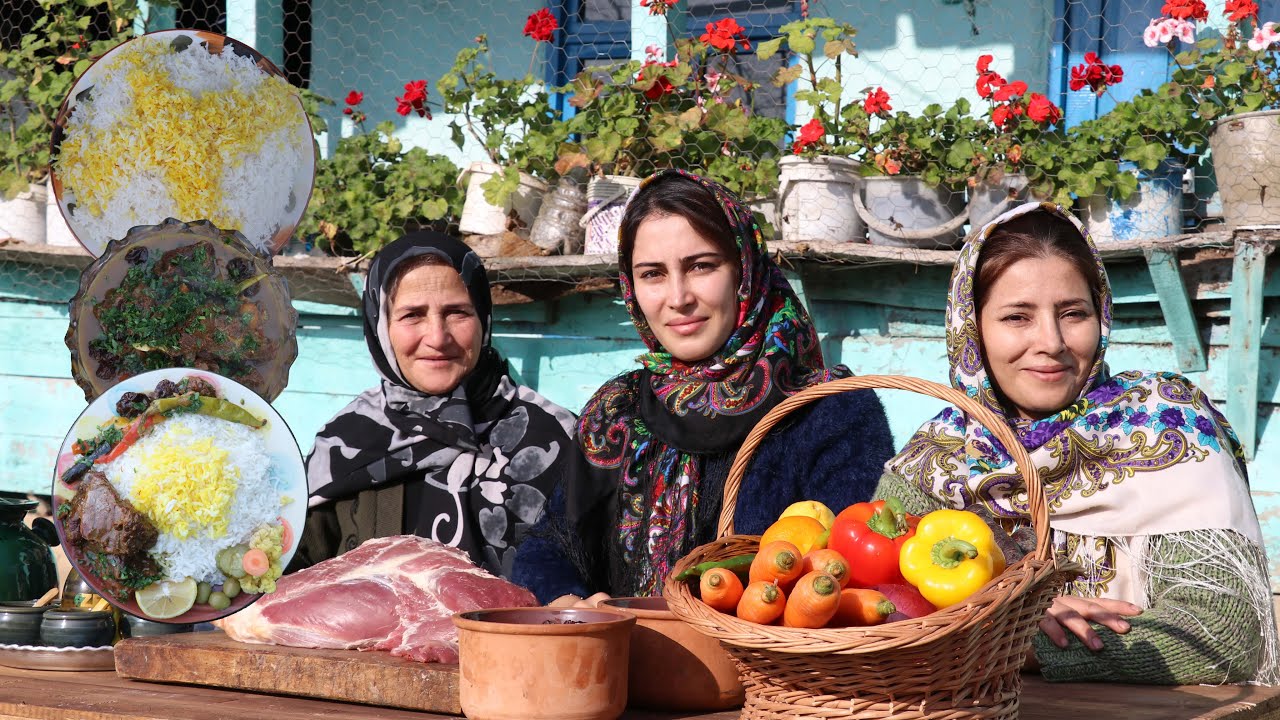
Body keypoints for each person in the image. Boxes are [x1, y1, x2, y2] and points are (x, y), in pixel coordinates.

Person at [875, 201, 1278, 685]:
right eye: (1017, 318)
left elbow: (1223, 633)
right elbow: (874, 609)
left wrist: (1025, 644)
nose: (1052, 341)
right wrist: (1003, 621)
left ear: (1101, 317)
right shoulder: (937, 457)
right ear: (971, 330)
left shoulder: (1167, 426)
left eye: (1072, 313)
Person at [514, 170, 895, 604]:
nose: (678, 297)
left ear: (744, 271)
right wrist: (568, 599)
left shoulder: (828, 412)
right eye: (652, 274)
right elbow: (550, 543)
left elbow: (849, 571)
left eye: (701, 266)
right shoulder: (616, 411)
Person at [291, 231, 579, 581]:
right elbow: (284, 582)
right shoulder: (348, 443)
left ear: (484, 317)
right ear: (381, 327)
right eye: (412, 315)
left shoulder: (557, 435)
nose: (438, 337)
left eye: (457, 312)